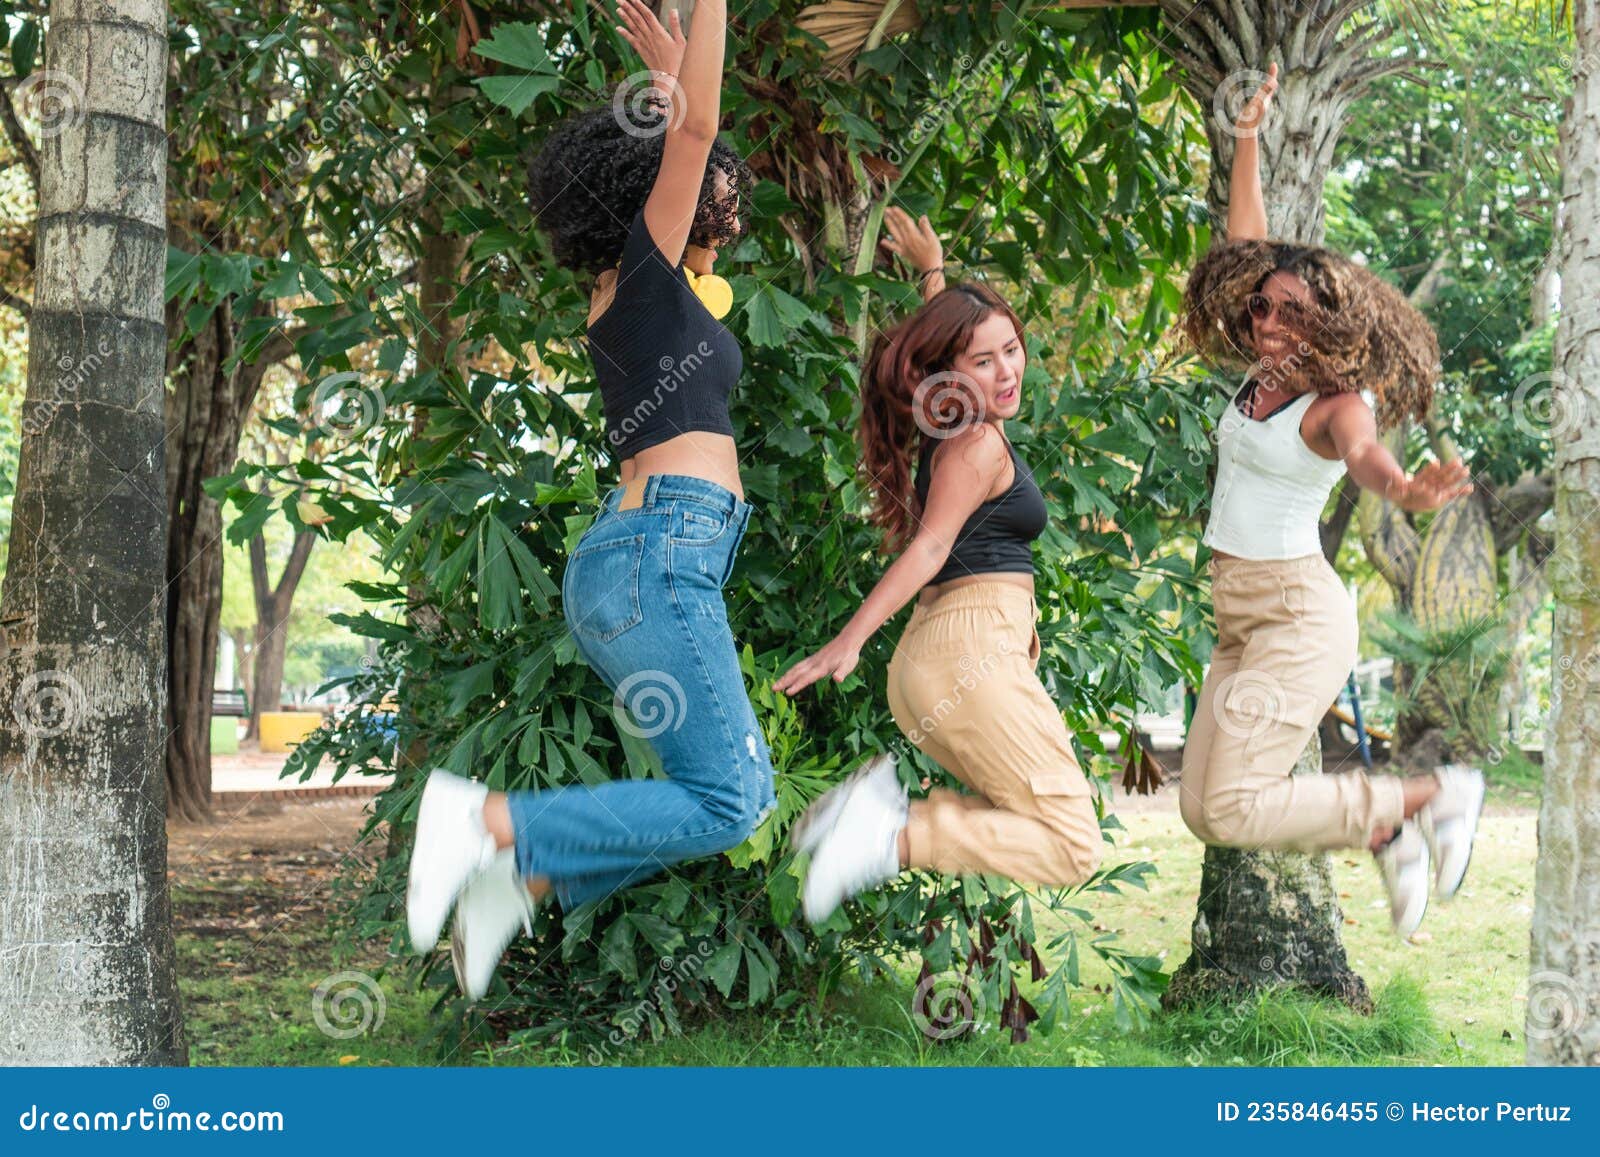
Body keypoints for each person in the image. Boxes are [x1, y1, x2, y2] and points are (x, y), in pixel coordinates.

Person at [405, 0, 776, 998]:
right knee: (733, 800)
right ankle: (488, 823)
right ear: (660, 197)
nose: (730, 201)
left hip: (657, 556)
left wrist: (668, 88)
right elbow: (696, 138)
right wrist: (707, 19)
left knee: (740, 792)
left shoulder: (644, 292)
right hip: (661, 553)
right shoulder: (646, 277)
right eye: (719, 190)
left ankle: (519, 876)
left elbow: (694, 135)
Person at [1176, 63, 1482, 938]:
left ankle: (1430, 794)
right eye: (1263, 307)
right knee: (1203, 808)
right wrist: (1244, 135)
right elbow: (1249, 239)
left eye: (1291, 314)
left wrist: (1406, 492)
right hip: (1240, 615)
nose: (1270, 322)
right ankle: (1388, 824)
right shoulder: (1262, 376)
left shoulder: (1336, 404)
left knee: (1234, 805)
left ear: (1330, 325)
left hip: (1296, 616)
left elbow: (1367, 458)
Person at [774, 210, 1102, 923]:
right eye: (986, 361)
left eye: (1012, 348)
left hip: (948, 661)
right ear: (952, 372)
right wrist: (849, 638)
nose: (1007, 370)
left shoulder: (955, 421)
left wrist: (934, 274)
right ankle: (887, 832)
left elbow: (954, 340)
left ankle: (886, 826)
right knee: (1073, 844)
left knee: (1044, 822)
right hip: (969, 654)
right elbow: (928, 547)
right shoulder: (976, 442)